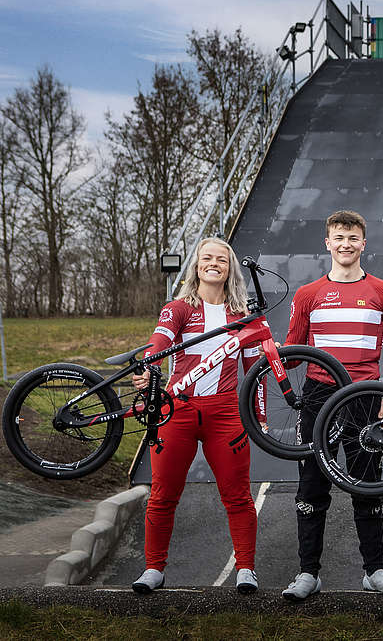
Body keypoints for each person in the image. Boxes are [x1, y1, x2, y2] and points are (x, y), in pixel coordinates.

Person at [280, 210, 383, 600]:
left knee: (368, 485)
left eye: (353, 238)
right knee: (311, 485)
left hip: (365, 397)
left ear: (363, 243)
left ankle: (375, 571)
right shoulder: (308, 294)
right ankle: (308, 574)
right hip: (319, 397)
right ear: (328, 243)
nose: (346, 245)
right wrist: (263, 353)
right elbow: (293, 351)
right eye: (339, 237)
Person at [131, 237, 258, 594]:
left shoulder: (241, 316)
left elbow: (254, 370)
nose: (214, 263)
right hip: (177, 410)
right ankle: (153, 569)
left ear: (230, 267)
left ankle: (246, 568)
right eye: (207, 258)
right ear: (197, 265)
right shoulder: (179, 307)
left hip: (225, 412)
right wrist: (148, 365)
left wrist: (259, 415)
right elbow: (159, 341)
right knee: (163, 494)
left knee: (237, 495)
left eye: (221, 258)